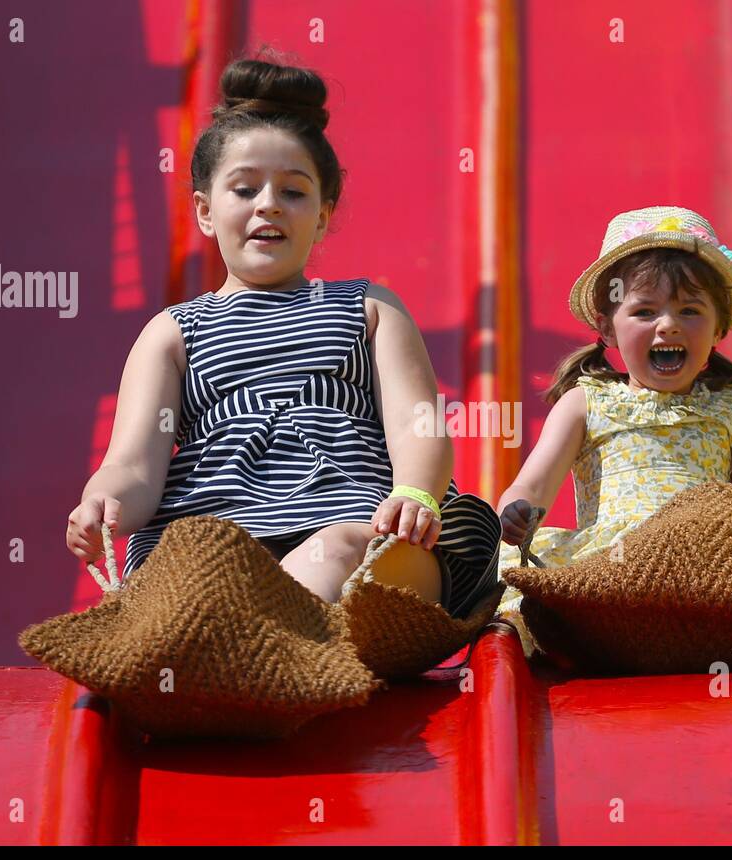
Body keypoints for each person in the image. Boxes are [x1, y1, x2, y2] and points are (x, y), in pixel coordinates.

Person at [65, 52, 501, 618]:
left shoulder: (366, 307)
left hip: (355, 527)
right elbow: (136, 462)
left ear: (322, 215)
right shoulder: (173, 332)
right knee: (190, 571)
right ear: (204, 210)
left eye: (293, 192)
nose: (268, 203)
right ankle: (251, 637)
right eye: (244, 190)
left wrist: (415, 492)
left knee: (341, 550)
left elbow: (417, 425)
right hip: (211, 533)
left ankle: (259, 642)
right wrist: (106, 498)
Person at [495, 206, 732, 619]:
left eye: (690, 311)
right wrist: (517, 512)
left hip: (703, 563)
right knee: (521, 581)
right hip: (614, 564)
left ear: (719, 328)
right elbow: (531, 486)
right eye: (644, 312)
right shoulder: (586, 403)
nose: (668, 325)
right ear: (607, 329)